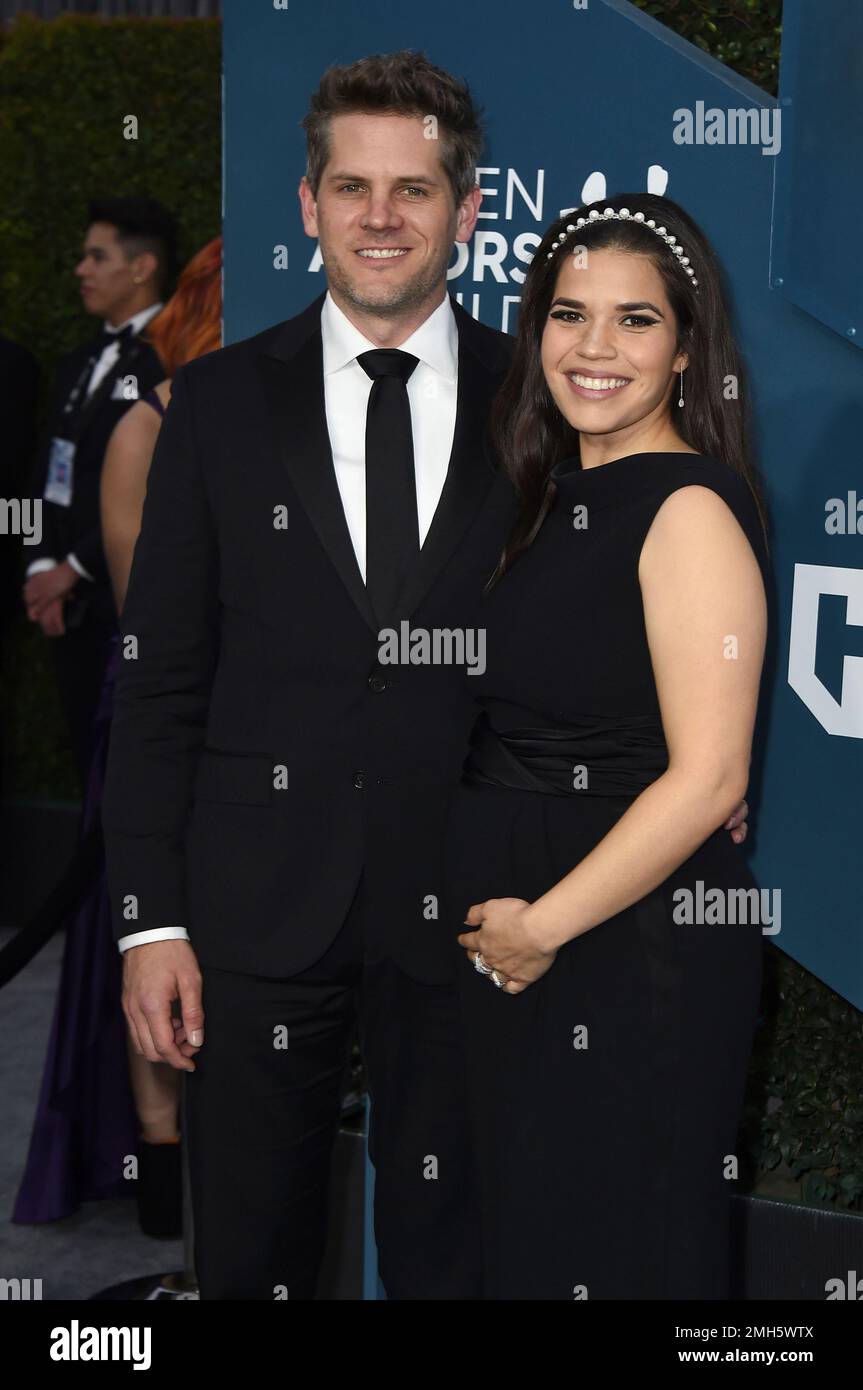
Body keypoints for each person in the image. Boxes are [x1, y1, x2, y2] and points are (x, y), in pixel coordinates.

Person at [101, 54, 749, 1300]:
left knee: (461, 1256)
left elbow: (614, 618)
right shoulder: (221, 403)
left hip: (471, 912)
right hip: (251, 912)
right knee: (247, 1252)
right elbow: (159, 680)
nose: (381, 216)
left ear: (467, 207)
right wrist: (153, 917)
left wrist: (695, 776)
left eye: (414, 187)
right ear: (307, 205)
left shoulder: (552, 396)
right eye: (351, 186)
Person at [448, 193, 769, 1300]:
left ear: (686, 348)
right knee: (539, 1246)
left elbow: (709, 775)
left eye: (634, 320)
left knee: (624, 1248)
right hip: (536, 933)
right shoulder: (550, 494)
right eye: (567, 313)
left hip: (625, 946)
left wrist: (541, 926)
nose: (593, 349)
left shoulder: (685, 509)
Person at [13, 240, 221, 1238]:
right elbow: (155, 620)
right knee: (149, 936)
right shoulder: (149, 425)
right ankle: (158, 1184)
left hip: (238, 735)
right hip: (159, 720)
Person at [22, 196, 176, 789]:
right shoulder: (76, 361)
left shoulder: (172, 357)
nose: (81, 270)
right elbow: (46, 474)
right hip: (66, 612)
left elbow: (159, 488)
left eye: (97, 256)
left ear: (141, 268)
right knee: (85, 757)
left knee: (127, 769)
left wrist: (74, 568)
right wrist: (40, 565)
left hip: (123, 605)